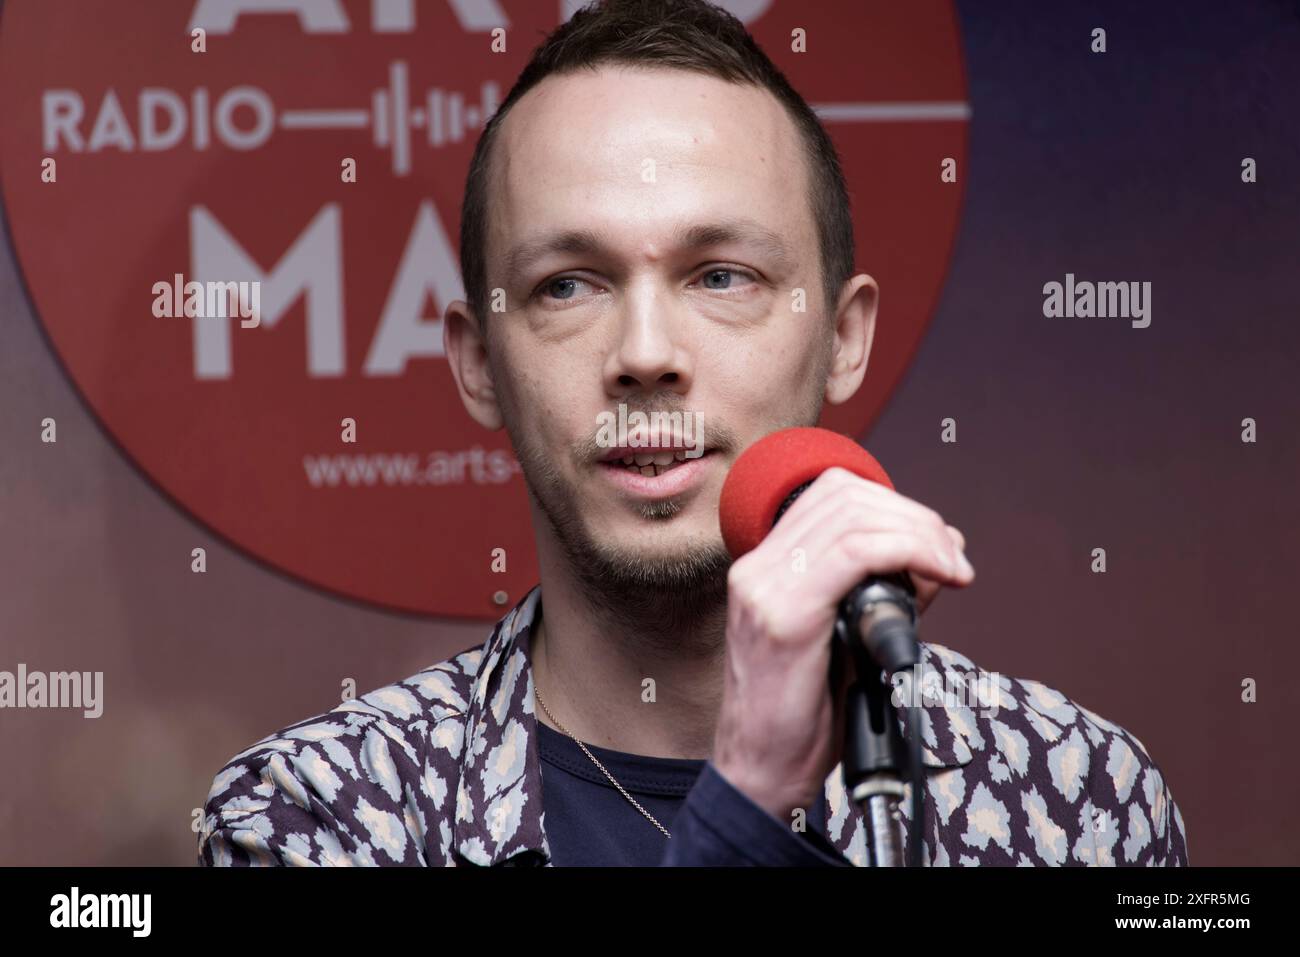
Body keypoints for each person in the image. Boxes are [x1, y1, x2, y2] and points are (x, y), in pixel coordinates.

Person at [199, 0, 1187, 867]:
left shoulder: (1072, 801)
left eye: (719, 275)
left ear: (842, 339)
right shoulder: (322, 812)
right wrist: (745, 806)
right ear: (476, 362)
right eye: (567, 284)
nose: (644, 352)